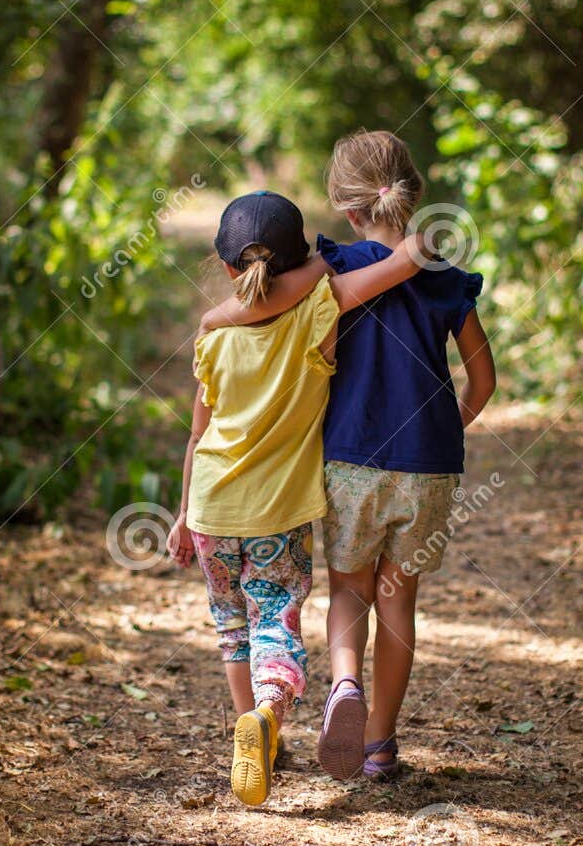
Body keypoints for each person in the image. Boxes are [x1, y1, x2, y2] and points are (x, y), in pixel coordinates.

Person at [199, 131, 495, 782]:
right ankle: (380, 745)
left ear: (346, 205)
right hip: (430, 467)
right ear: (413, 191)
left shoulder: (334, 270)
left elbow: (268, 299)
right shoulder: (448, 280)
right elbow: (483, 381)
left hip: (352, 458)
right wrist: (447, 427)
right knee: (399, 598)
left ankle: (343, 685)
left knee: (350, 590)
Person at [166, 189, 428, 805]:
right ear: (299, 257)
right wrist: (337, 257)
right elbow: (405, 261)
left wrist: (182, 513)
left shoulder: (213, 336)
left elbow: (198, 432)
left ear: (228, 266)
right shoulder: (318, 309)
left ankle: (257, 737)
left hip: (209, 506)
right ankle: (268, 716)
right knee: (275, 622)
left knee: (232, 627)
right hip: (275, 512)